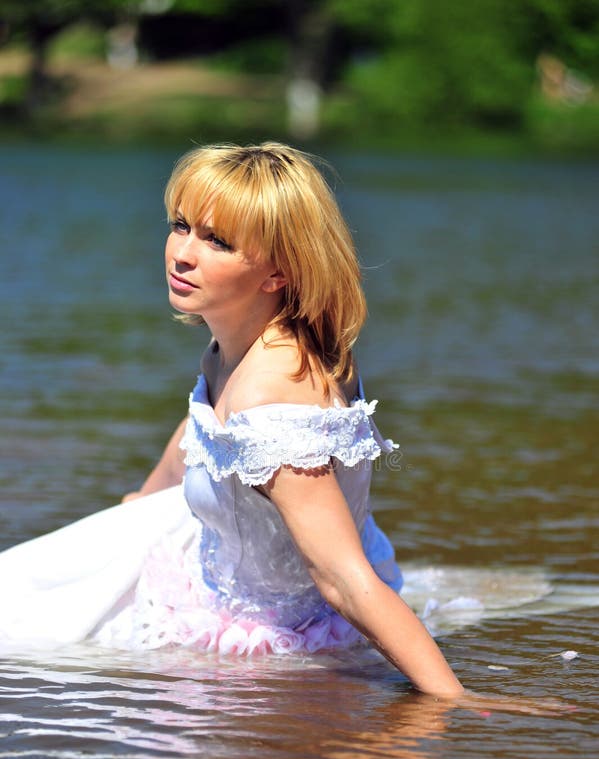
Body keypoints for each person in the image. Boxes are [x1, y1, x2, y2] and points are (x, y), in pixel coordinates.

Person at [95, 140, 464, 699]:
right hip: (217, 576)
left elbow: (342, 580)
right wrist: (140, 505)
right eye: (181, 225)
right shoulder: (233, 344)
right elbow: (202, 428)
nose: (183, 253)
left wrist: (459, 702)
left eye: (217, 241)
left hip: (278, 638)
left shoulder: (276, 400)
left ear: (278, 274)